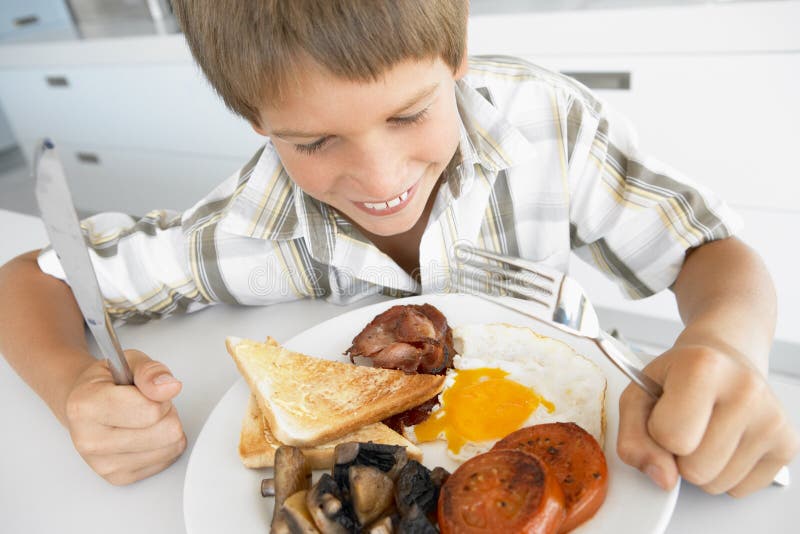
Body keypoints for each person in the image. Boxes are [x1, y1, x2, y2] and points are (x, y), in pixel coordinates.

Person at [0, 0, 796, 494]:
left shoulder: (546, 124)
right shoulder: (249, 227)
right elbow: (31, 279)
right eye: (314, 141)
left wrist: (727, 344)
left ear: (456, 52)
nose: (382, 178)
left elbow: (712, 255)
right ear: (255, 121)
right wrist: (73, 386)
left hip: (624, 451)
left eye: (410, 114)